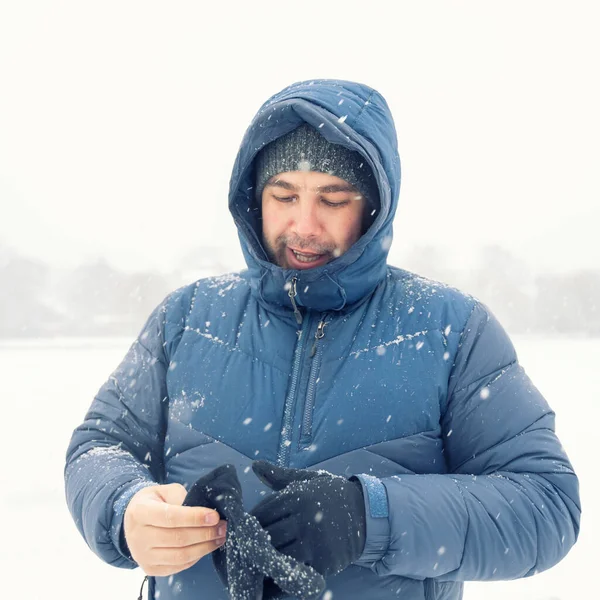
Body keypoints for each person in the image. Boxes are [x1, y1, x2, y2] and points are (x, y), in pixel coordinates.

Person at [64, 79, 581, 600]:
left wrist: (370, 517)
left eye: (332, 199)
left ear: (373, 206)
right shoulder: (186, 319)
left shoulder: (452, 330)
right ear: (254, 199)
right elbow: (100, 447)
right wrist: (126, 508)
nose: (303, 224)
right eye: (283, 195)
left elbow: (545, 506)